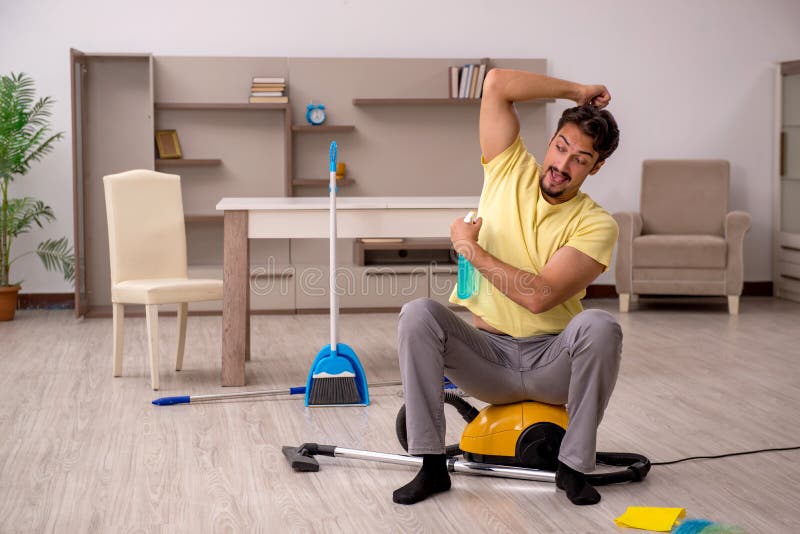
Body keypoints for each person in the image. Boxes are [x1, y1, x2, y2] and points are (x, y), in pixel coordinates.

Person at [394, 68, 621, 506]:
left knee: (600, 326)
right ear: (551, 140)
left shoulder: (597, 224)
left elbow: (538, 296)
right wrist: (577, 91)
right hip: (487, 357)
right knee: (418, 314)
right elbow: (497, 83)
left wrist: (469, 248)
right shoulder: (507, 167)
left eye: (580, 159)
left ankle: (574, 467)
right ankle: (431, 466)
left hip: (552, 361)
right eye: (561, 147)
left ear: (597, 166)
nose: (562, 165)